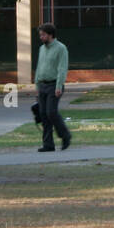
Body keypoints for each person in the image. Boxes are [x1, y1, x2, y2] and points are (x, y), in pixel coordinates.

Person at [35, 22, 71, 152]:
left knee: (51, 112)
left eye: (43, 35)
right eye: (40, 35)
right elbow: (39, 68)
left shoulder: (61, 48)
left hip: (54, 84)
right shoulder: (41, 49)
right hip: (42, 85)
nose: (41, 37)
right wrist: (37, 86)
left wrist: (59, 86)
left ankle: (65, 135)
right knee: (43, 114)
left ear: (50, 35)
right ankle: (48, 144)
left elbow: (62, 68)